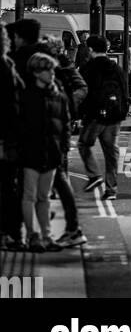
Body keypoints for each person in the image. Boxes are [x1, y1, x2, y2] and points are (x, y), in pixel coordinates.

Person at [9, 20, 87, 244]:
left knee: (24, 189)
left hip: (34, 138)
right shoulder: (54, 56)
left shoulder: (21, 59)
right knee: (53, 185)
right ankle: (65, 229)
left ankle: (24, 233)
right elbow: (81, 86)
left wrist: (62, 111)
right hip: (51, 135)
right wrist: (64, 113)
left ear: (20, 37)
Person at [19, 52, 69, 252]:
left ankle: (46, 236)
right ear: (36, 72)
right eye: (47, 70)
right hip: (31, 152)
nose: (51, 74)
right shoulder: (26, 96)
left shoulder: (59, 96)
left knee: (44, 196)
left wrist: (63, 148)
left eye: (52, 69)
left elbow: (65, 125)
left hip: (51, 152)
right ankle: (33, 235)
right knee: (30, 196)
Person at [79, 35, 129, 201]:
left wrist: (80, 115)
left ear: (91, 49)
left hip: (95, 116)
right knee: (111, 152)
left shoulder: (87, 68)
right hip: (114, 116)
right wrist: (122, 111)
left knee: (84, 144)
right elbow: (124, 90)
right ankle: (111, 190)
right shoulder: (116, 68)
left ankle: (94, 175)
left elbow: (84, 93)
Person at [0, 22, 24, 249]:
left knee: (7, 186)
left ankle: (11, 233)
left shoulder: (6, 66)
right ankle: (14, 232)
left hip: (6, 138)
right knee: (9, 186)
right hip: (10, 137)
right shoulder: (8, 65)